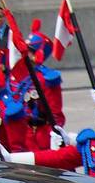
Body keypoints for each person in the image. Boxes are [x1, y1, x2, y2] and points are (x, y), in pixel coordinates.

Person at [19, 19, 64, 151]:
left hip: (41, 135)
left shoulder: (48, 78)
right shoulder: (22, 75)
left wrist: (54, 135)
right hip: (24, 134)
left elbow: (56, 114)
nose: (25, 54)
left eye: (30, 51)